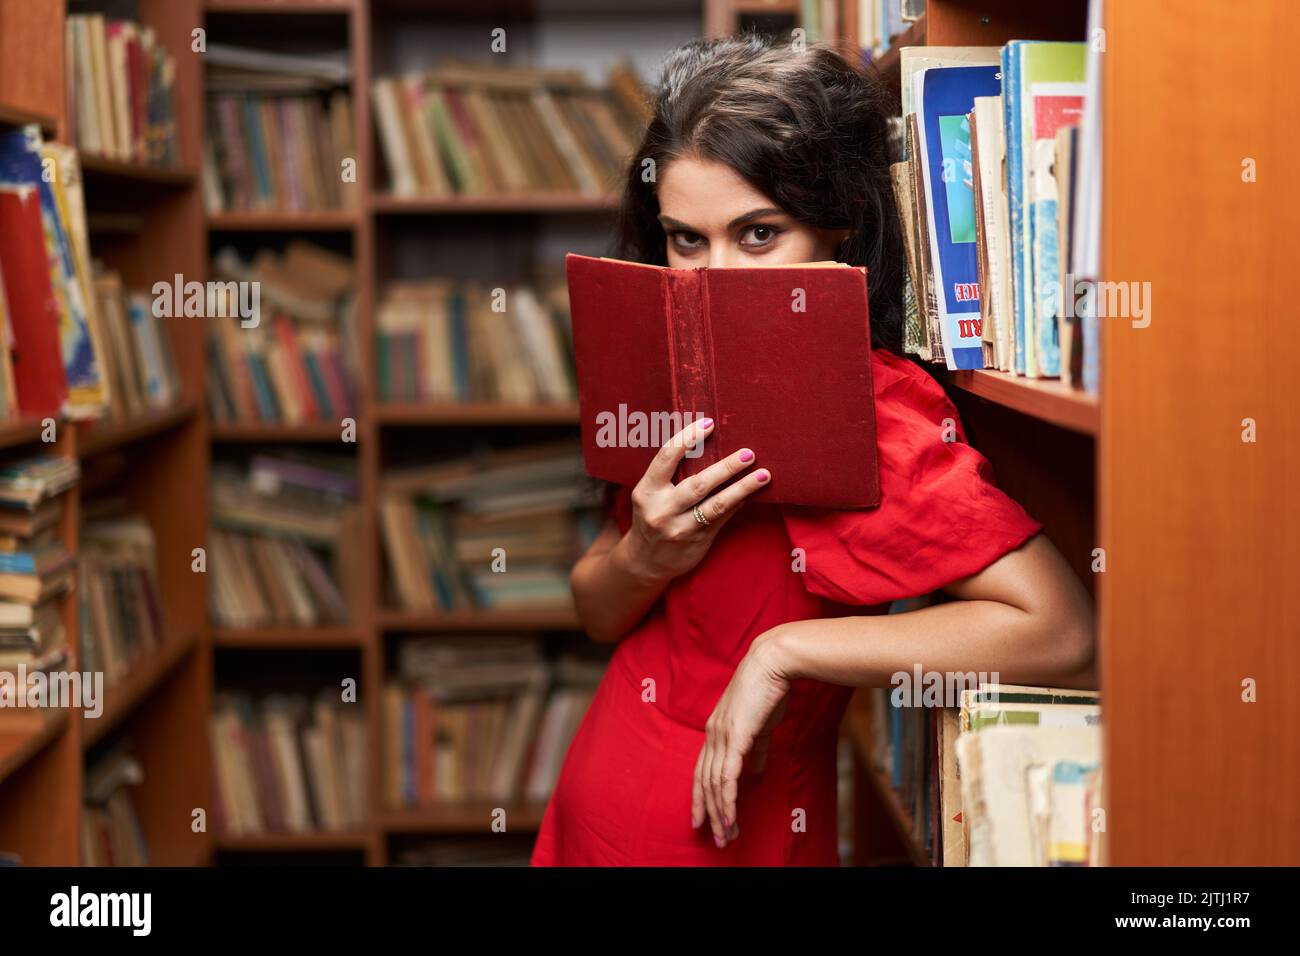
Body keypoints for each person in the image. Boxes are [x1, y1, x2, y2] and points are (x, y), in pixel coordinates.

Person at [530, 34, 1095, 866]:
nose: (713, 277)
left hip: (731, 817)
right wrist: (646, 553)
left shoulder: (875, 407)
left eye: (759, 234)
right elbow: (597, 613)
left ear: (838, 229)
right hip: (608, 785)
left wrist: (784, 654)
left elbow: (1063, 633)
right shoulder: (683, 363)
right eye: (687, 240)